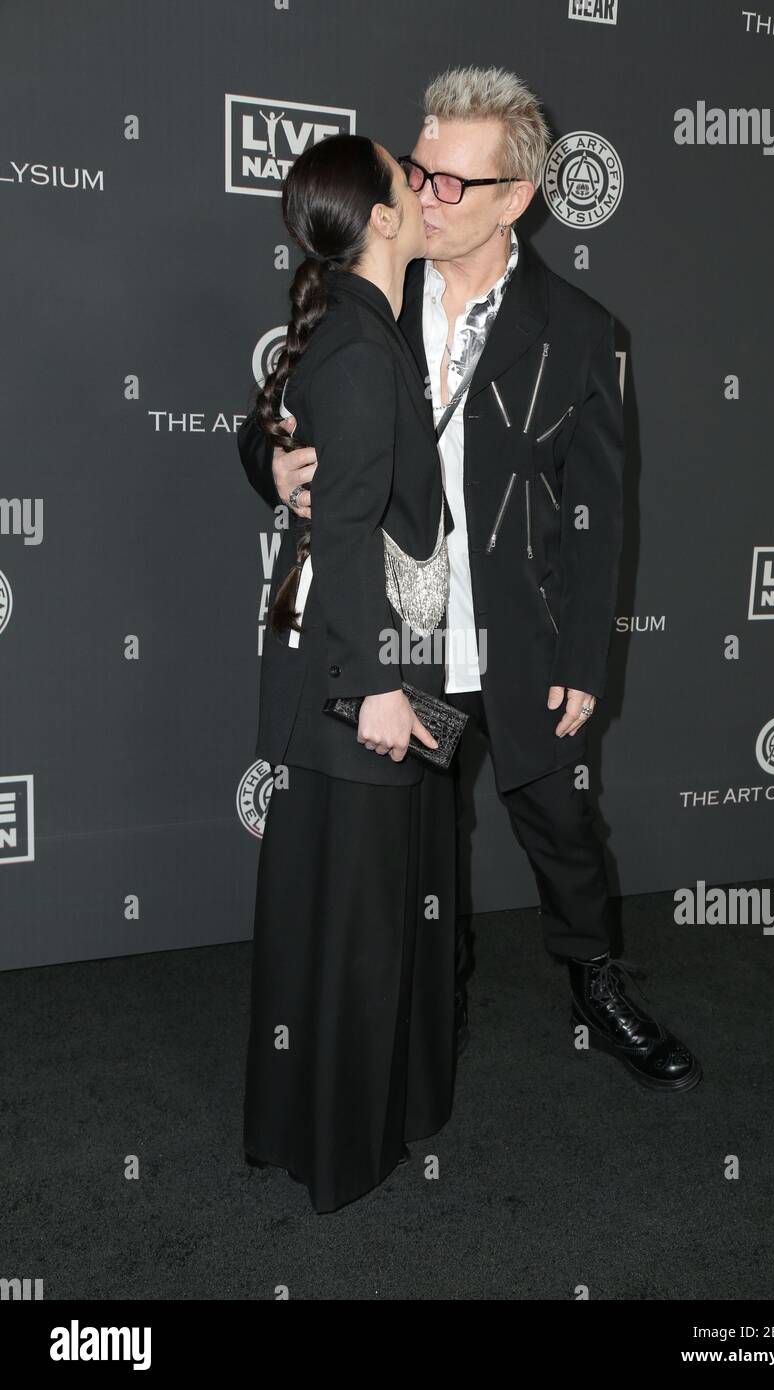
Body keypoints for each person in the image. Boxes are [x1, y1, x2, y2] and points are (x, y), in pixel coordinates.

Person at [239, 67, 702, 1094]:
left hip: (519, 634)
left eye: (454, 183)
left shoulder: (581, 333)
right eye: (419, 172)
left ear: (517, 200)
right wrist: (266, 464)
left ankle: (595, 982)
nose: (425, 198)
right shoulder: (371, 296)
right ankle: (429, 1000)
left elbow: (598, 515)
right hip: (393, 638)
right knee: (418, 843)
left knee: (560, 822)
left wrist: (584, 653)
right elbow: (276, 411)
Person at [240, 132, 458, 1215]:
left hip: (324, 681)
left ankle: (303, 1126)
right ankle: (340, 1146)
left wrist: (268, 459)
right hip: (356, 686)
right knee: (361, 928)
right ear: (379, 217)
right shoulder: (365, 349)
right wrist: (377, 684)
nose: (423, 193)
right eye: (406, 178)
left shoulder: (347, 335)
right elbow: (353, 530)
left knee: (328, 917)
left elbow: (304, 460)